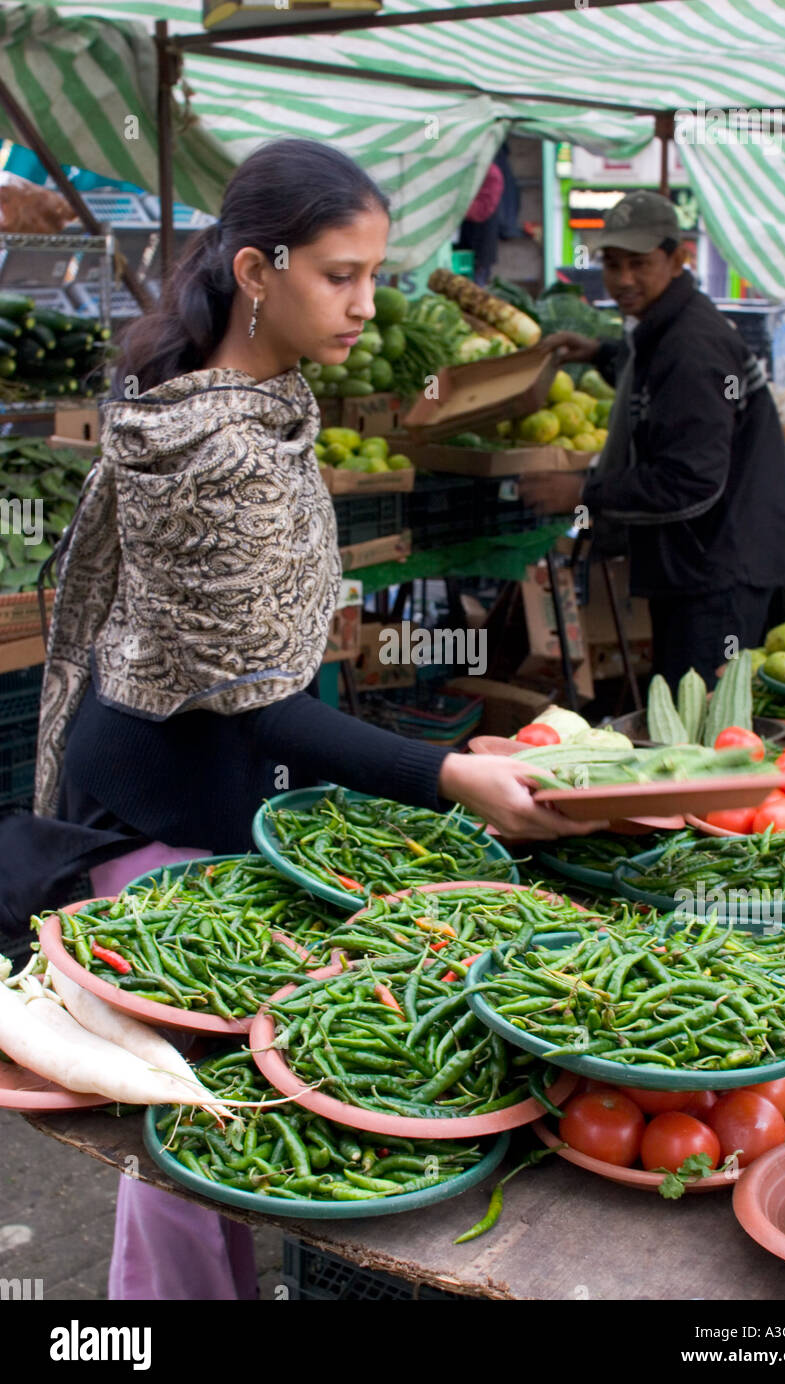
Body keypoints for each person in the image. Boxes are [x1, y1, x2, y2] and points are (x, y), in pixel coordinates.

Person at [9, 138, 584, 1299]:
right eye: (341, 274)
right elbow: (259, 703)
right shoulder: (214, 444)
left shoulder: (263, 404)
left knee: (209, 1100)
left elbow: (261, 667)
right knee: (185, 1125)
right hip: (156, 807)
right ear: (258, 271)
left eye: (374, 275)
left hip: (202, 777)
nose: (368, 305)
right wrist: (444, 773)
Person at [521, 190, 785, 688]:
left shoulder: (692, 346)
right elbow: (661, 396)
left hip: (721, 568)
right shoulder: (664, 328)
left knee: (701, 729)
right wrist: (602, 353)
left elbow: (690, 478)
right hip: (702, 560)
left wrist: (583, 492)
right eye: (612, 263)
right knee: (684, 709)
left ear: (678, 259)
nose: (623, 279)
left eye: (639, 263)